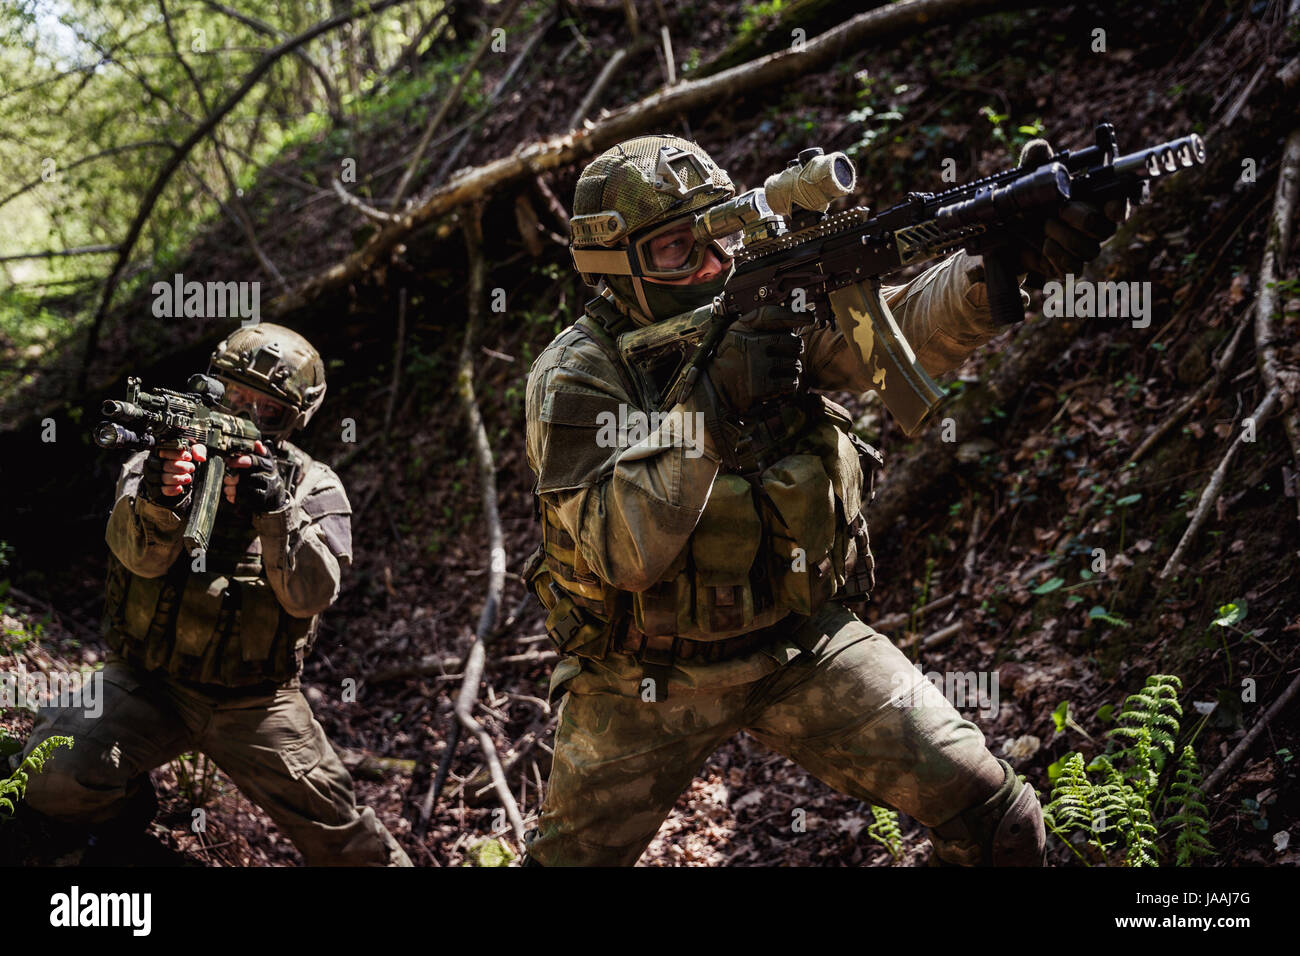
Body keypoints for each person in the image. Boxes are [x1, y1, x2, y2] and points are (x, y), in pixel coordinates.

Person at [521, 134, 1122, 866]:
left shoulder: (767, 303)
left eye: (723, 232)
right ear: (615, 270)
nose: (713, 265)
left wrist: (993, 269)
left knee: (995, 818)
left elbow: (888, 336)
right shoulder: (576, 378)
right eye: (676, 252)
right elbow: (625, 551)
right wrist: (711, 401)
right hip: (642, 680)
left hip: (799, 643)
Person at [18, 323, 411, 866]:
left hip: (257, 701)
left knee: (343, 840)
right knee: (51, 772)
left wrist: (277, 512)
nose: (245, 415)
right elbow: (137, 559)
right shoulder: (156, 463)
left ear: (292, 421)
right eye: (233, 397)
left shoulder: (314, 488)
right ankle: (128, 828)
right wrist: (159, 500)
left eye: (266, 410)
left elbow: (311, 597)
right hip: (147, 680)